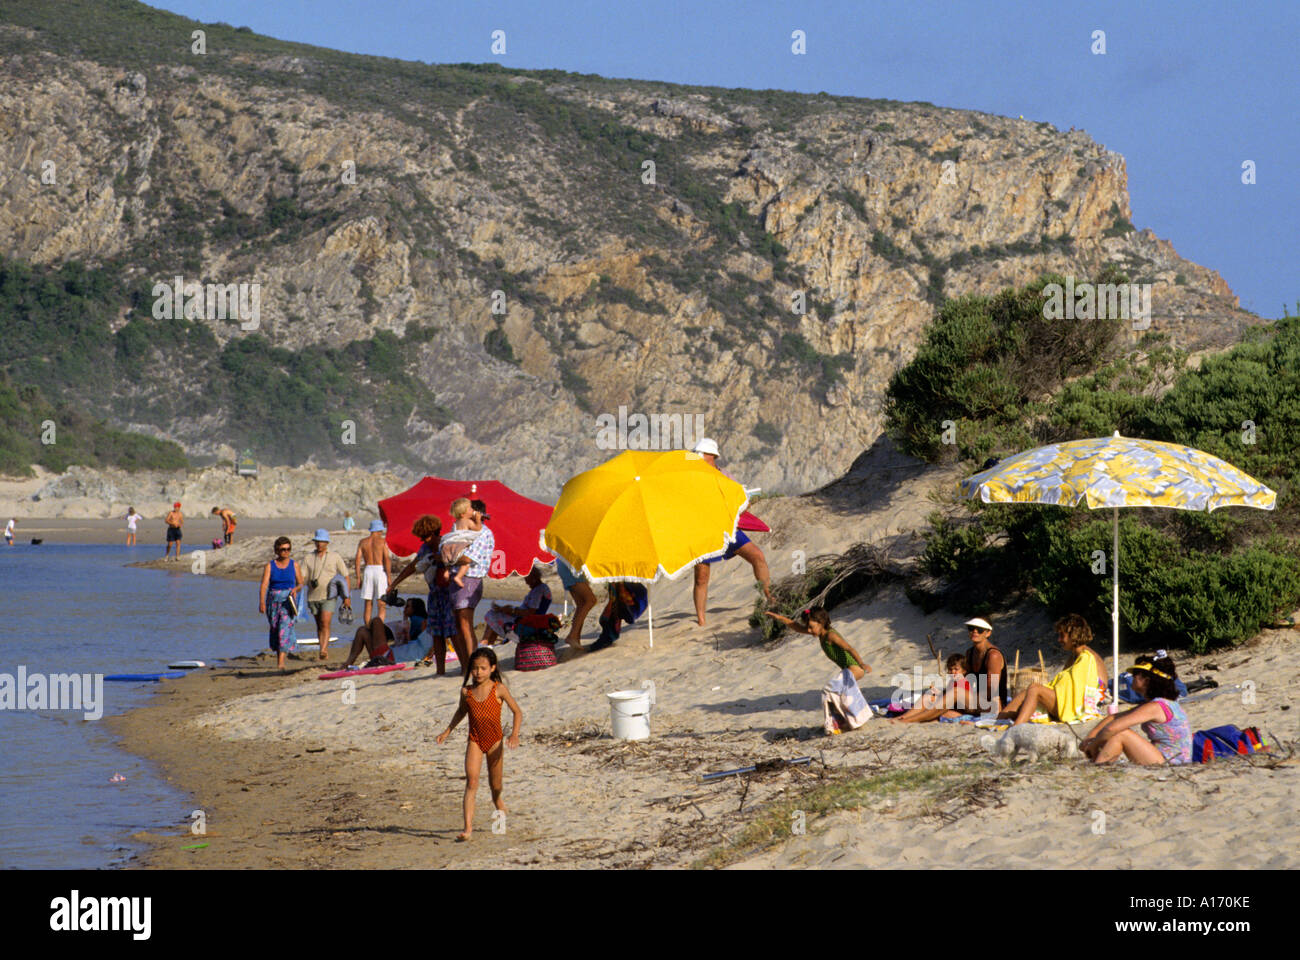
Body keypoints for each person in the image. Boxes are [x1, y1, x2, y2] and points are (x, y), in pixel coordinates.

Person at [436, 648, 523, 841]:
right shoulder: (466, 692)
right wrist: (447, 731)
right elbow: (461, 712)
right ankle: (467, 829)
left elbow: (517, 712)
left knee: (495, 785)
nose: (478, 672)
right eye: (475, 668)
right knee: (472, 781)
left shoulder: (499, 689)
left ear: (492, 668)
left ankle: (497, 801)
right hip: (474, 740)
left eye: (483, 668)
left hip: (495, 741)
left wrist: (514, 735)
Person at [689, 438, 773, 626]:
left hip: (728, 529)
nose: (698, 457)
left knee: (757, 556)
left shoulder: (725, 475)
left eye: (700, 454)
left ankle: (770, 598)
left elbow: (741, 504)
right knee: (702, 577)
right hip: (704, 532)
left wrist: (745, 500)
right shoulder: (692, 476)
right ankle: (701, 621)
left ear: (712, 456)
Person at [1081, 652, 1191, 765]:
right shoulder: (1160, 703)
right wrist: (1092, 735)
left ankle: (1098, 767)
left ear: (1147, 680)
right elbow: (1115, 717)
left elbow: (1112, 728)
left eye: (1137, 674)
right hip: (1166, 758)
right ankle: (1098, 764)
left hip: (1171, 762)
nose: (1132, 676)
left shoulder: (1155, 707)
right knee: (1115, 733)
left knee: (1120, 733)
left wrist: (1093, 745)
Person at [999, 614, 1108, 725]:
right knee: (1026, 691)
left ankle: (1016, 727)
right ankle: (999, 719)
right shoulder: (1075, 657)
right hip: (1069, 699)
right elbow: (1065, 685)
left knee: (1034, 688)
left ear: (1073, 635)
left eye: (1062, 635)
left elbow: (1082, 689)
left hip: (1081, 704)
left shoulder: (1087, 658)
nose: (1059, 639)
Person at [891, 618, 1005, 722]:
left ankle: (909, 721)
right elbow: (965, 679)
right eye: (971, 628)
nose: (975, 631)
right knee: (929, 697)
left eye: (980, 630)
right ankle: (902, 717)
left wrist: (962, 697)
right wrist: (944, 694)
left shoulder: (993, 655)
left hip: (991, 704)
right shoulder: (970, 653)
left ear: (988, 633)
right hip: (974, 701)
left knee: (955, 693)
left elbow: (992, 689)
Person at [388, 515, 455, 674]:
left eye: (425, 536)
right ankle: (440, 670)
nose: (423, 540)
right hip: (434, 596)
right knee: (437, 635)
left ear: (434, 532)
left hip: (449, 595)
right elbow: (413, 566)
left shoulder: (446, 544)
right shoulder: (425, 549)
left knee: (453, 632)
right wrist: (395, 583)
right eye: (421, 537)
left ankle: (464, 666)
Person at [445, 497, 496, 675]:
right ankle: (466, 664)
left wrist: (449, 558)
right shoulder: (464, 527)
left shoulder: (483, 533)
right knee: (459, 624)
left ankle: (473, 664)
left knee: (465, 623)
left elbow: (469, 558)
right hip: (461, 578)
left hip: (470, 579)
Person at [764, 607, 872, 681]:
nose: (809, 630)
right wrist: (779, 618)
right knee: (838, 693)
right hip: (847, 670)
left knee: (832, 689)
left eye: (811, 627)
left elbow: (849, 648)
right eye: (807, 627)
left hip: (854, 669)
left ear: (821, 623)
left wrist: (861, 664)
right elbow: (796, 627)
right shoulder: (821, 634)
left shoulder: (831, 636)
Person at [300, 529, 350, 660]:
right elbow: (301, 577)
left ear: (327, 542)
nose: (320, 544)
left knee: (325, 622)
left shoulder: (335, 556)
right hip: (312, 597)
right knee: (319, 625)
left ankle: (323, 650)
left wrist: (346, 597)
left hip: (329, 596)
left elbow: (346, 576)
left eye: (322, 541)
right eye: (317, 541)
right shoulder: (308, 558)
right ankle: (323, 647)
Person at [258, 536, 303, 670]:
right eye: (283, 549)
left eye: (288, 549)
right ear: (277, 550)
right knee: (276, 629)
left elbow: (301, 583)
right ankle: (279, 655)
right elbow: (264, 584)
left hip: (288, 601)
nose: (285, 552)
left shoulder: (294, 565)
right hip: (273, 601)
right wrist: (261, 602)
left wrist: (296, 589)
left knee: (284, 628)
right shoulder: (270, 566)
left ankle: (281, 662)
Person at [482, 567, 551, 645]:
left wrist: (512, 610)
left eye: (526, 579)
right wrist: (509, 609)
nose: (526, 583)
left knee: (492, 614)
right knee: (496, 614)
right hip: (527, 619)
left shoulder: (538, 590)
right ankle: (488, 642)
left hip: (527, 622)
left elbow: (530, 613)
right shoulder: (541, 588)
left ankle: (485, 641)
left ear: (533, 579)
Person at [589, 581, 649, 652]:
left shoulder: (622, 607)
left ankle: (606, 637)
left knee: (607, 620)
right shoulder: (624, 609)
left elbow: (612, 602)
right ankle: (606, 637)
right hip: (631, 601)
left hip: (631, 600)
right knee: (607, 620)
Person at [355, 520, 392, 624]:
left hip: (368, 570)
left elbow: (357, 560)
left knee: (368, 602)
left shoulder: (363, 542)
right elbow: (387, 559)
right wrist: (389, 577)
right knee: (381, 602)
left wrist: (358, 577)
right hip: (380, 570)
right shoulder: (383, 541)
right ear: (379, 530)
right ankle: (379, 627)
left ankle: (367, 627)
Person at [556, 558, 597, 652]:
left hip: (567, 565)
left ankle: (576, 638)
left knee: (582, 603)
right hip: (571, 566)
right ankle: (573, 635)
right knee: (591, 600)